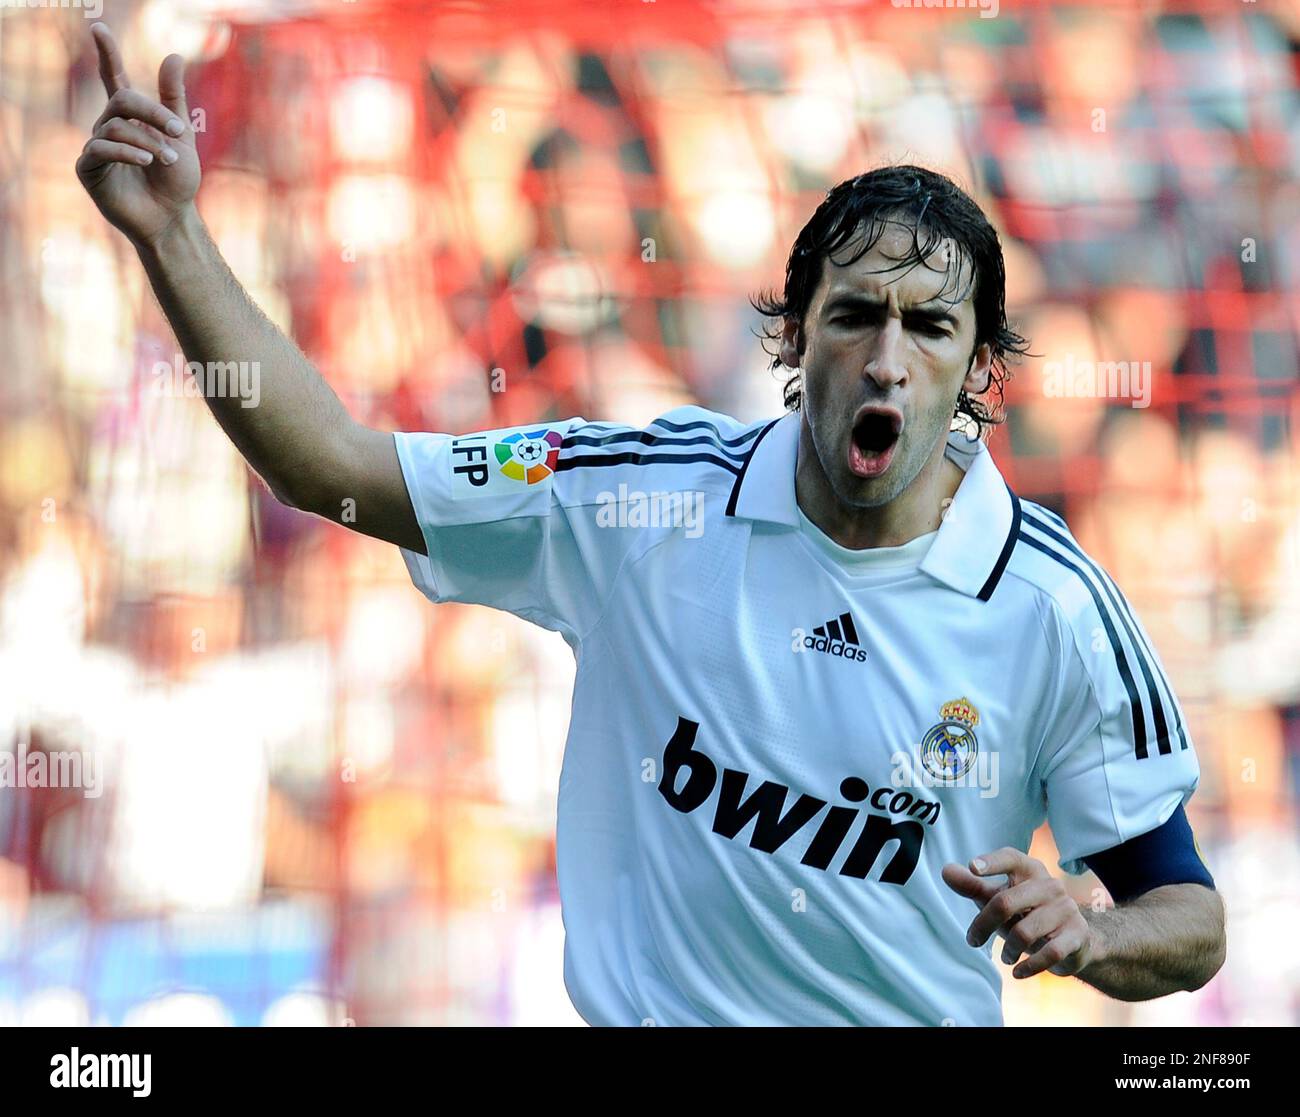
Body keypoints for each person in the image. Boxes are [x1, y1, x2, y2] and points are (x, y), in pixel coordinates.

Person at [75, 23, 1225, 1026]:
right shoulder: (641, 497)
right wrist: (170, 237)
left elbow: (1189, 918)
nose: (885, 358)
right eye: (852, 315)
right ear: (791, 341)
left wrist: (1090, 929)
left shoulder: (1051, 603)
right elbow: (326, 466)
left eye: (929, 329)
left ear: (978, 368)